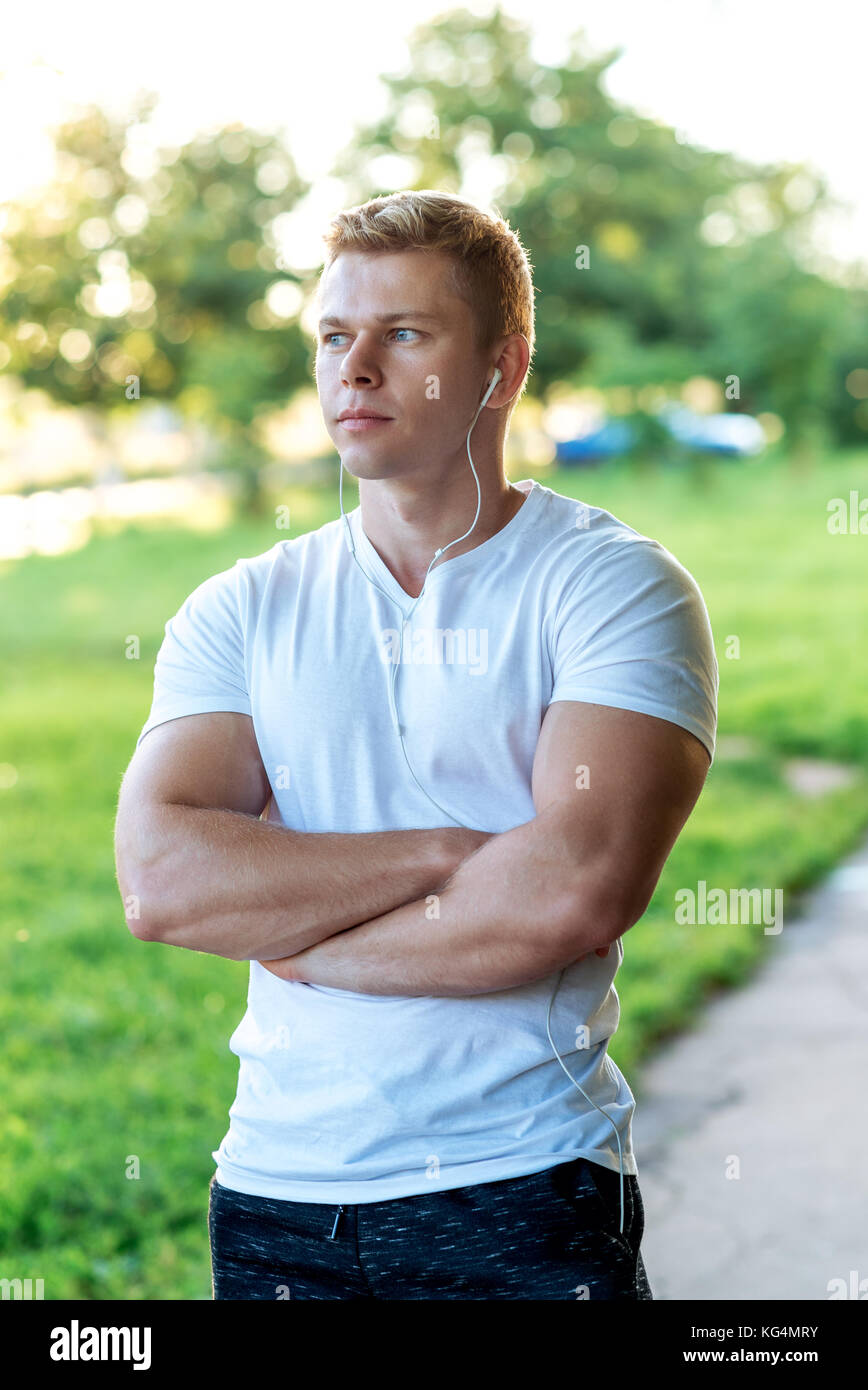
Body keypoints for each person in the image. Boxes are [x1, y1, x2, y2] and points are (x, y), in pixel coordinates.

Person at [114, 189, 718, 1301]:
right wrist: (452, 852)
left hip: (523, 1182)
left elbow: (567, 899)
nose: (354, 370)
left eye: (403, 333)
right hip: (274, 1193)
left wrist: (297, 935)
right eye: (335, 336)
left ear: (504, 365)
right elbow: (162, 884)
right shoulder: (240, 607)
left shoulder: (612, 587)